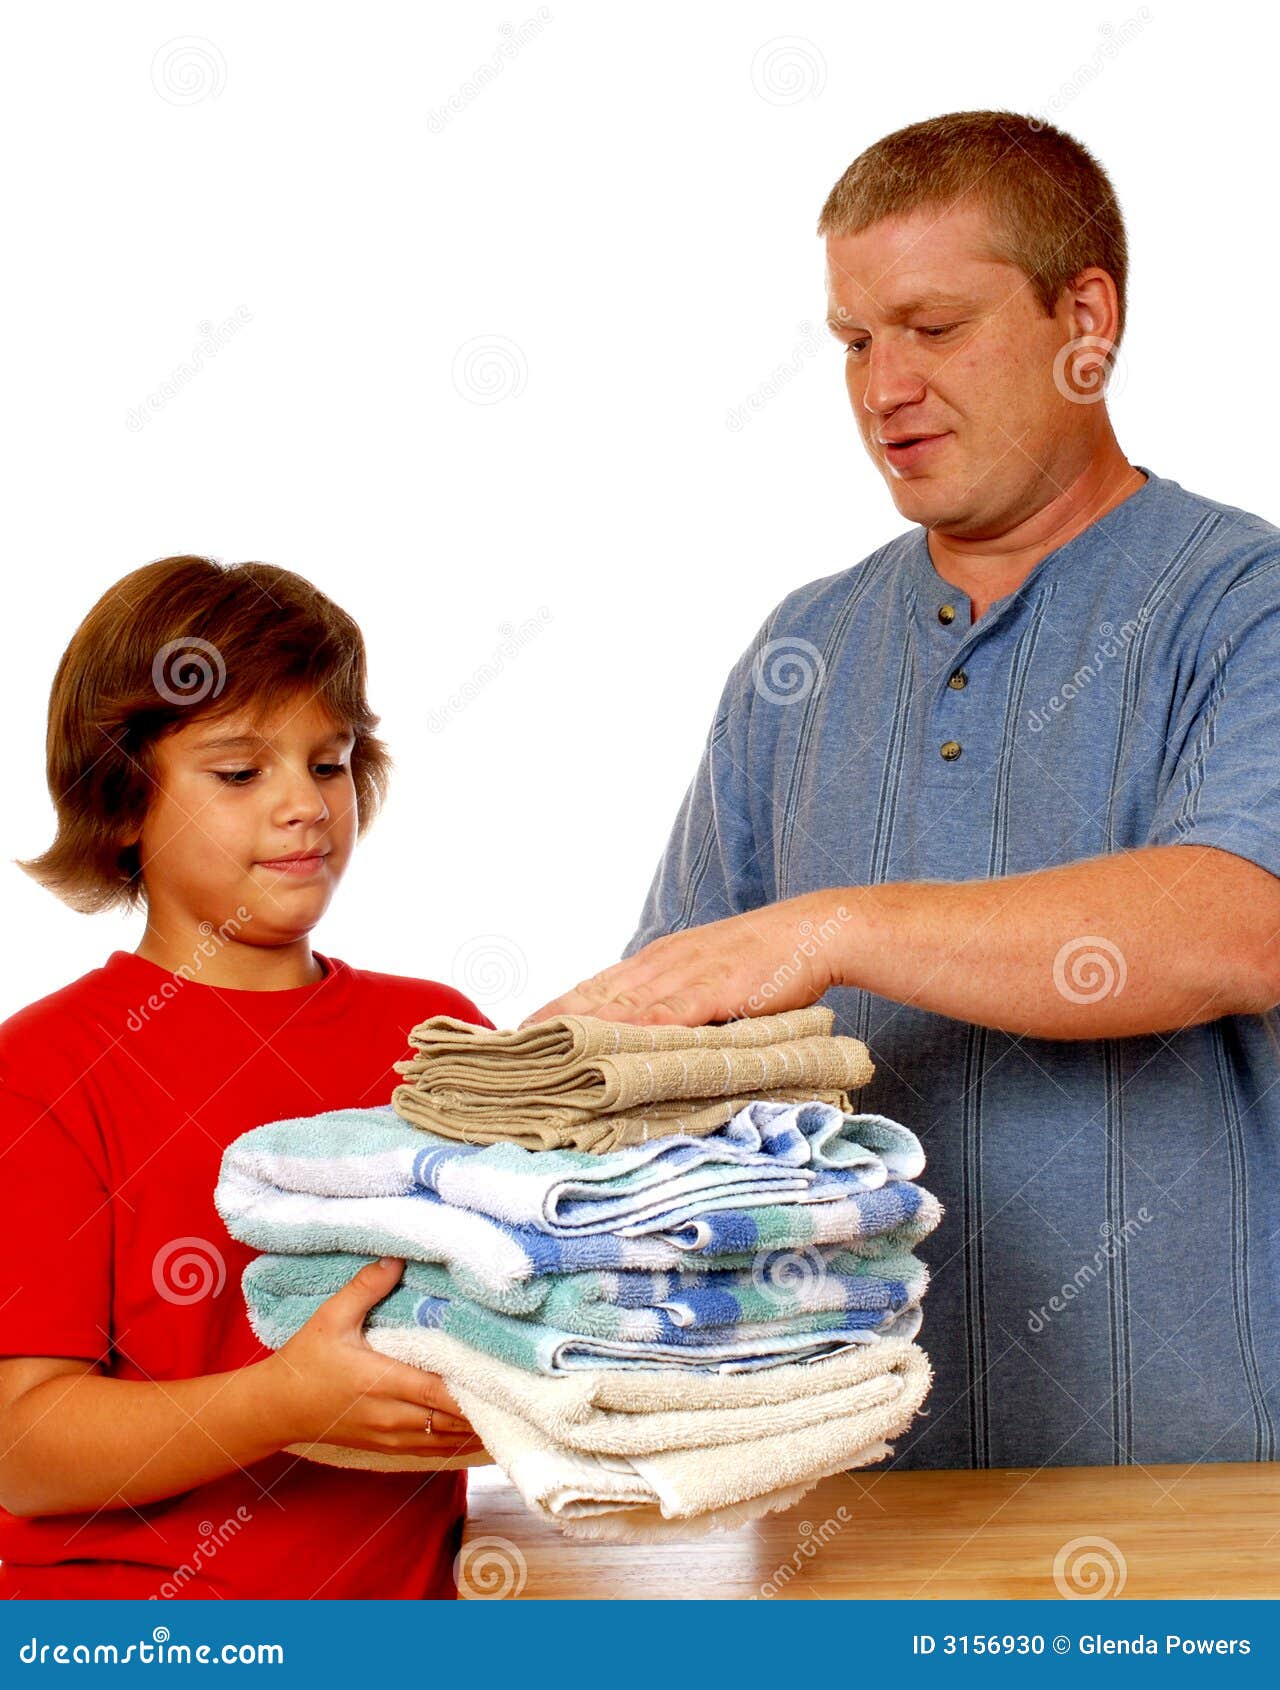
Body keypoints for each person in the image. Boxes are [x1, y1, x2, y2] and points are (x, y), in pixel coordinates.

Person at [524, 110, 1280, 1470]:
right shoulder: (802, 653)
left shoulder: (1244, 602)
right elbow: (677, 1026)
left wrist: (833, 929)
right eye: (856, 341)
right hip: (831, 1485)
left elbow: (1236, 919)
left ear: (1085, 318)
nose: (886, 387)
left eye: (933, 326)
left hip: (1198, 1486)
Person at [0, 555, 489, 1598]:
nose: (304, 806)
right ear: (121, 802)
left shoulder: (438, 1036)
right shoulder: (46, 1070)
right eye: (239, 772)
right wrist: (282, 1402)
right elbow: (22, 1448)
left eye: (328, 761)